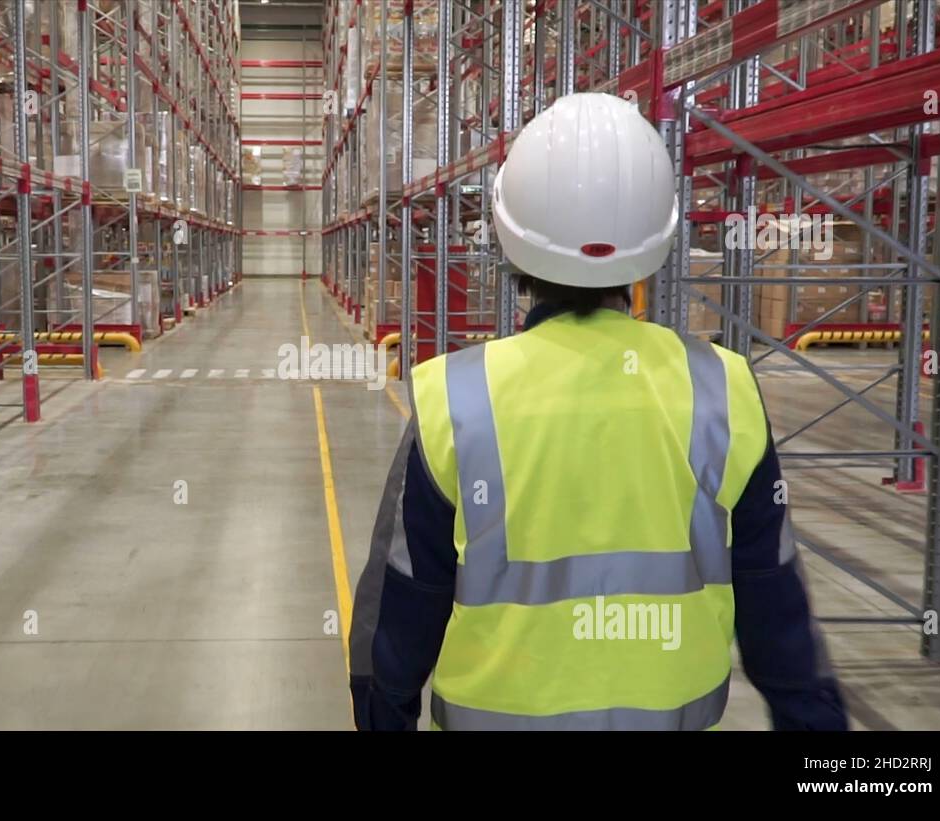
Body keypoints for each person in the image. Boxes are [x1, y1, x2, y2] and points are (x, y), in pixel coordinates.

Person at [348, 93, 848, 731]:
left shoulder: (457, 397)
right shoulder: (722, 391)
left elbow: (394, 621)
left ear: (509, 240)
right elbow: (780, 624)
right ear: (657, 240)